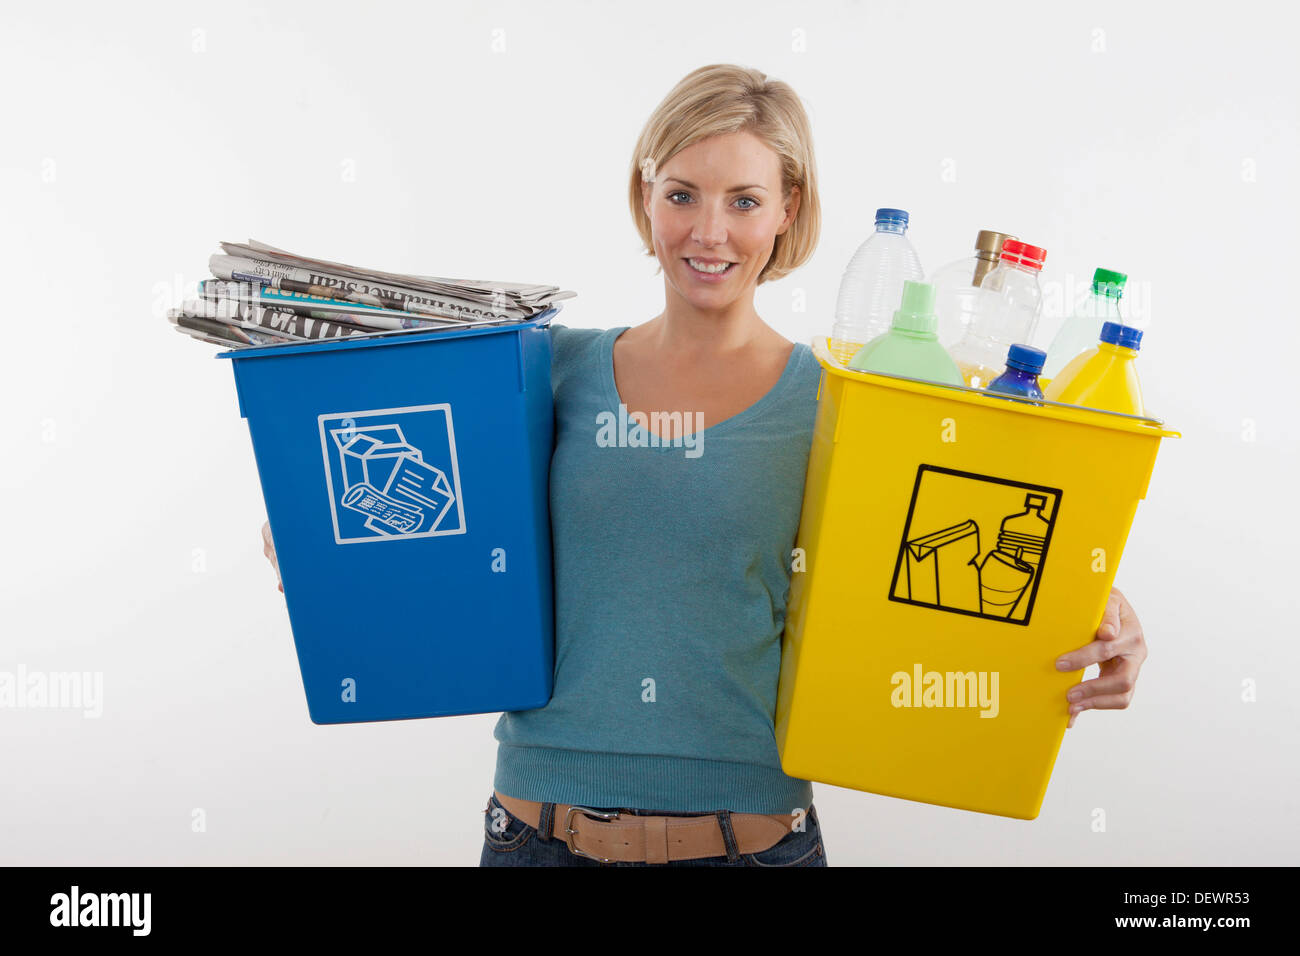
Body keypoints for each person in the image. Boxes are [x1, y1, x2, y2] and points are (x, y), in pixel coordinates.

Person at [261, 63, 1150, 866]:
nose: (709, 232)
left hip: (752, 844)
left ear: (788, 209)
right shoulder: (543, 371)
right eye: (682, 194)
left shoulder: (844, 403)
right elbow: (449, 534)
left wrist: (1101, 609)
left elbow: (952, 543)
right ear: (646, 196)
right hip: (539, 835)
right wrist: (313, 536)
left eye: (746, 201)